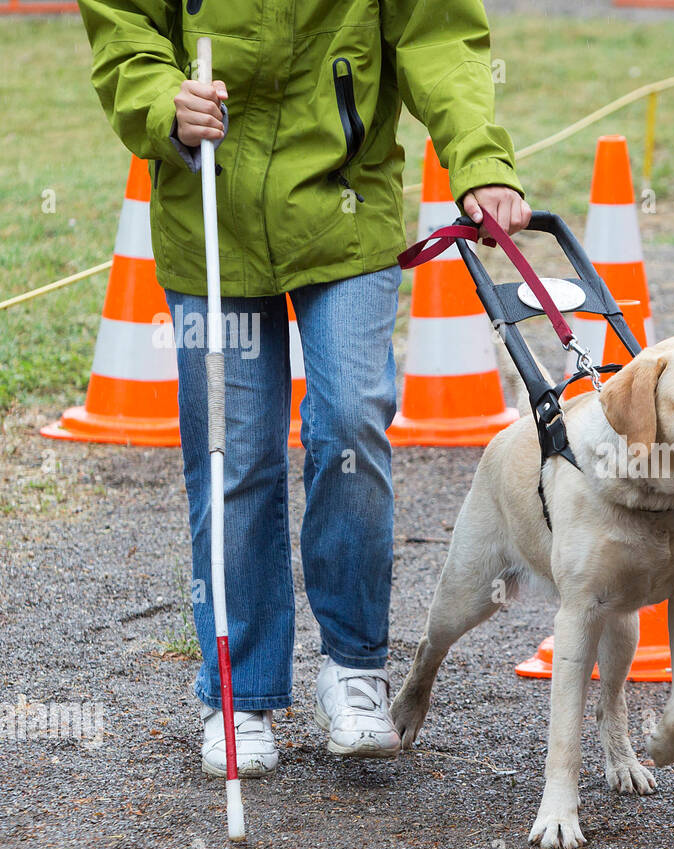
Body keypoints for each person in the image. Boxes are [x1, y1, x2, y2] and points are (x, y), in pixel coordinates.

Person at [78, 0, 531, 775]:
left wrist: (479, 161)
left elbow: (439, 35)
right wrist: (164, 103)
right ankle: (239, 694)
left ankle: (354, 670)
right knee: (237, 454)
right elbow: (125, 30)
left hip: (345, 216)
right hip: (209, 216)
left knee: (352, 420)